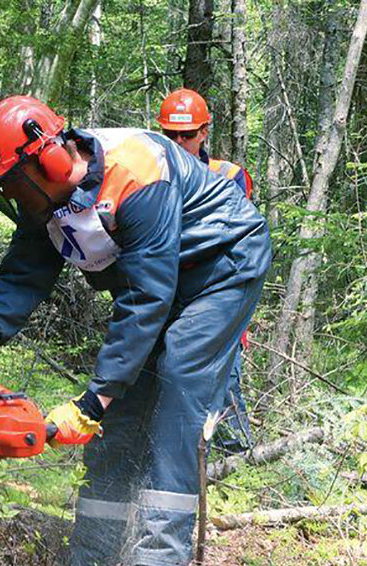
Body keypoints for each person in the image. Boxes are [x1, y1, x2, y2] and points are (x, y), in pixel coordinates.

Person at [0, 95, 271, 566]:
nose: (15, 196)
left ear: (48, 159)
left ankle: (162, 562)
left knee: (178, 380)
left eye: (16, 183)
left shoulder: (135, 173)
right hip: (161, 279)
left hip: (220, 266)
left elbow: (145, 302)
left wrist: (94, 400)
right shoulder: (44, 201)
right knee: (124, 409)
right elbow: (23, 275)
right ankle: (95, 556)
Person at [157, 88, 255, 454]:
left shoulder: (227, 175)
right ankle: (181, 456)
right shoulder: (152, 176)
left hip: (216, 297)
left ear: (203, 133)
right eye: (171, 135)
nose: (179, 142)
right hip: (168, 294)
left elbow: (233, 238)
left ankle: (235, 460)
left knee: (224, 383)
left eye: (187, 134)